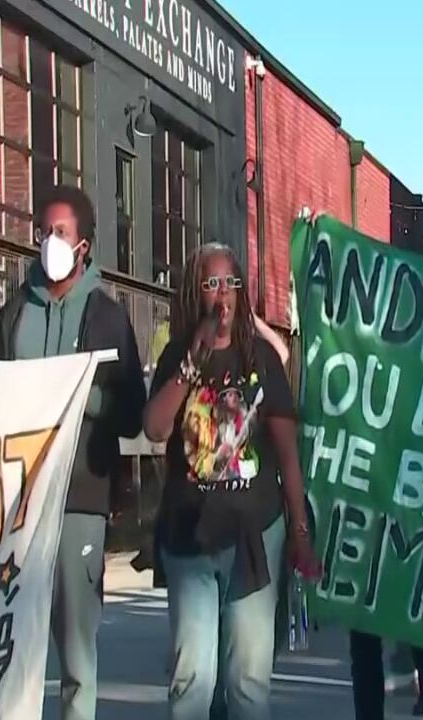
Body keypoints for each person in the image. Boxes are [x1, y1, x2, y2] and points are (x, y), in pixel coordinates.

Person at [142, 242, 320, 720]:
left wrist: (300, 531)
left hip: (256, 534)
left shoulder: (260, 356)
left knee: (247, 681)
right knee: (193, 679)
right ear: (194, 294)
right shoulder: (179, 354)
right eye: (211, 283)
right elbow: (155, 428)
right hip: (191, 537)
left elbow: (287, 452)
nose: (223, 294)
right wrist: (188, 366)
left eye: (231, 283)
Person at [0, 184, 146, 720]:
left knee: (77, 650)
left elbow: (131, 413)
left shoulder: (107, 318)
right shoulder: (12, 316)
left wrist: (84, 396)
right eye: (43, 232)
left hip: (80, 499)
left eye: (60, 233)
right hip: (16, 503)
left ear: (85, 246)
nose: (49, 242)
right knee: (12, 641)